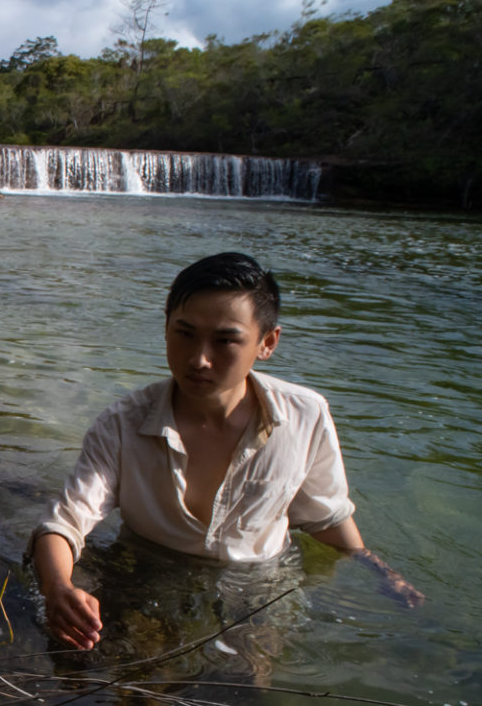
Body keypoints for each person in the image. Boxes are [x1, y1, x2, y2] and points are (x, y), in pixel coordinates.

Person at [31, 252, 423, 652]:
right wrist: (59, 588)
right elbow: (64, 523)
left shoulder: (305, 416)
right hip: (145, 578)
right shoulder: (121, 424)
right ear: (165, 329)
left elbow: (324, 516)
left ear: (267, 343)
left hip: (259, 592)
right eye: (184, 333)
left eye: (225, 341)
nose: (199, 359)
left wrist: (377, 571)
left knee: (253, 693)